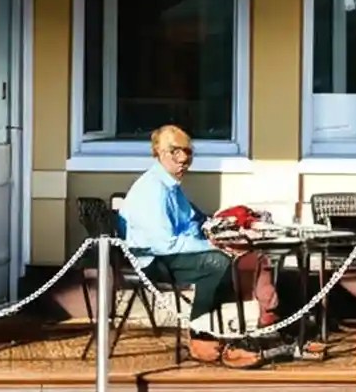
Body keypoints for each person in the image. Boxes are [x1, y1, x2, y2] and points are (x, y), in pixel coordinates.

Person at [118, 125, 280, 369]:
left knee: (249, 255)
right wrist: (213, 245)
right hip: (153, 260)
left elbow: (195, 220)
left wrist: (225, 229)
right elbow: (166, 244)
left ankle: (263, 323)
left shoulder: (172, 186)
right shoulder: (153, 190)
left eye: (188, 152)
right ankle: (199, 335)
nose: (183, 159)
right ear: (159, 153)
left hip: (172, 252)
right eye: (175, 152)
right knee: (217, 263)